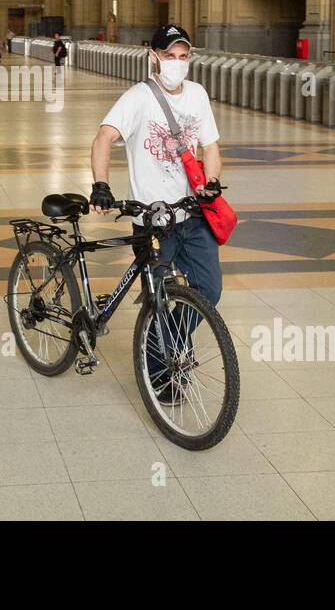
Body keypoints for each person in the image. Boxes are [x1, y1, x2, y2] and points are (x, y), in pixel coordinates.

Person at [89, 24, 223, 397]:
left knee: (209, 288)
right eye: (169, 57)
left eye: (183, 57)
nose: (177, 64)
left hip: (192, 214)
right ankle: (161, 375)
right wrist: (101, 185)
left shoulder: (197, 94)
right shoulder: (138, 98)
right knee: (158, 298)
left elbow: (210, 146)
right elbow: (104, 137)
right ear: (154, 57)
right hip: (152, 221)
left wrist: (210, 184)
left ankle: (171, 342)